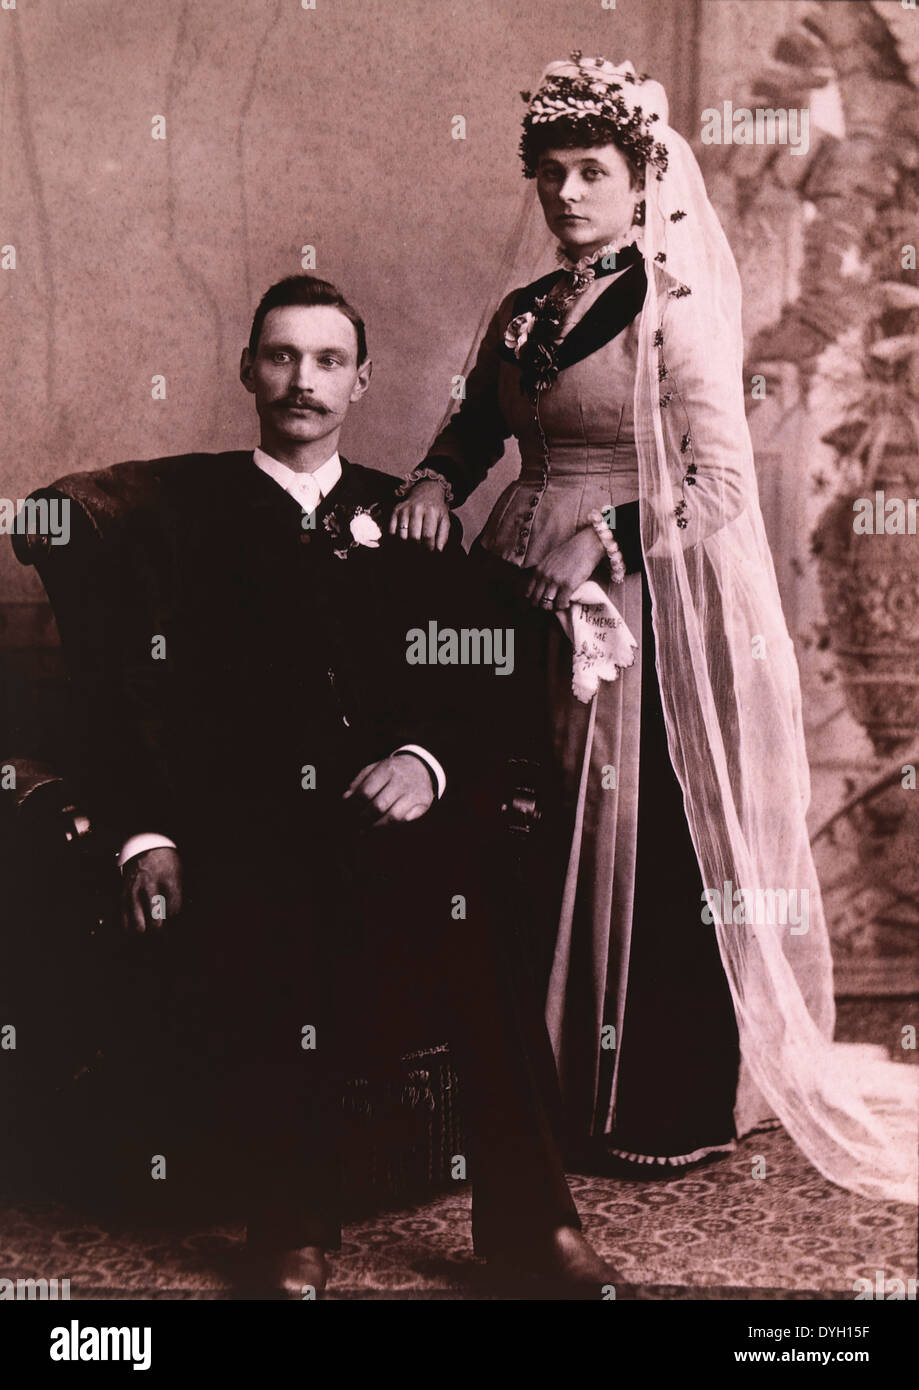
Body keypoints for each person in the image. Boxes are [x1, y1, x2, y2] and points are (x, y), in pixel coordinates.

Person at [21, 272, 617, 1295]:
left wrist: (424, 763)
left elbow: (477, 664)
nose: (304, 380)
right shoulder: (181, 519)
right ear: (247, 368)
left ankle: (528, 1225)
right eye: (283, 356)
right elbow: (118, 701)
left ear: (362, 381)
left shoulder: (402, 517)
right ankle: (287, 1224)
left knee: (472, 887)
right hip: (240, 816)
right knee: (270, 896)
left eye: (329, 361)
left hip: (381, 811)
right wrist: (141, 837)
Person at [391, 57, 918, 1204]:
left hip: (627, 608)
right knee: (506, 824)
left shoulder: (675, 310)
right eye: (551, 174)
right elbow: (476, 428)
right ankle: (505, 1087)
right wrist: (436, 479)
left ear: (641, 183)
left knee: (619, 831)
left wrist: (610, 540)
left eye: (593, 172)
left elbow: (720, 484)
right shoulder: (523, 312)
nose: (568, 194)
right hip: (510, 590)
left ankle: (635, 1099)